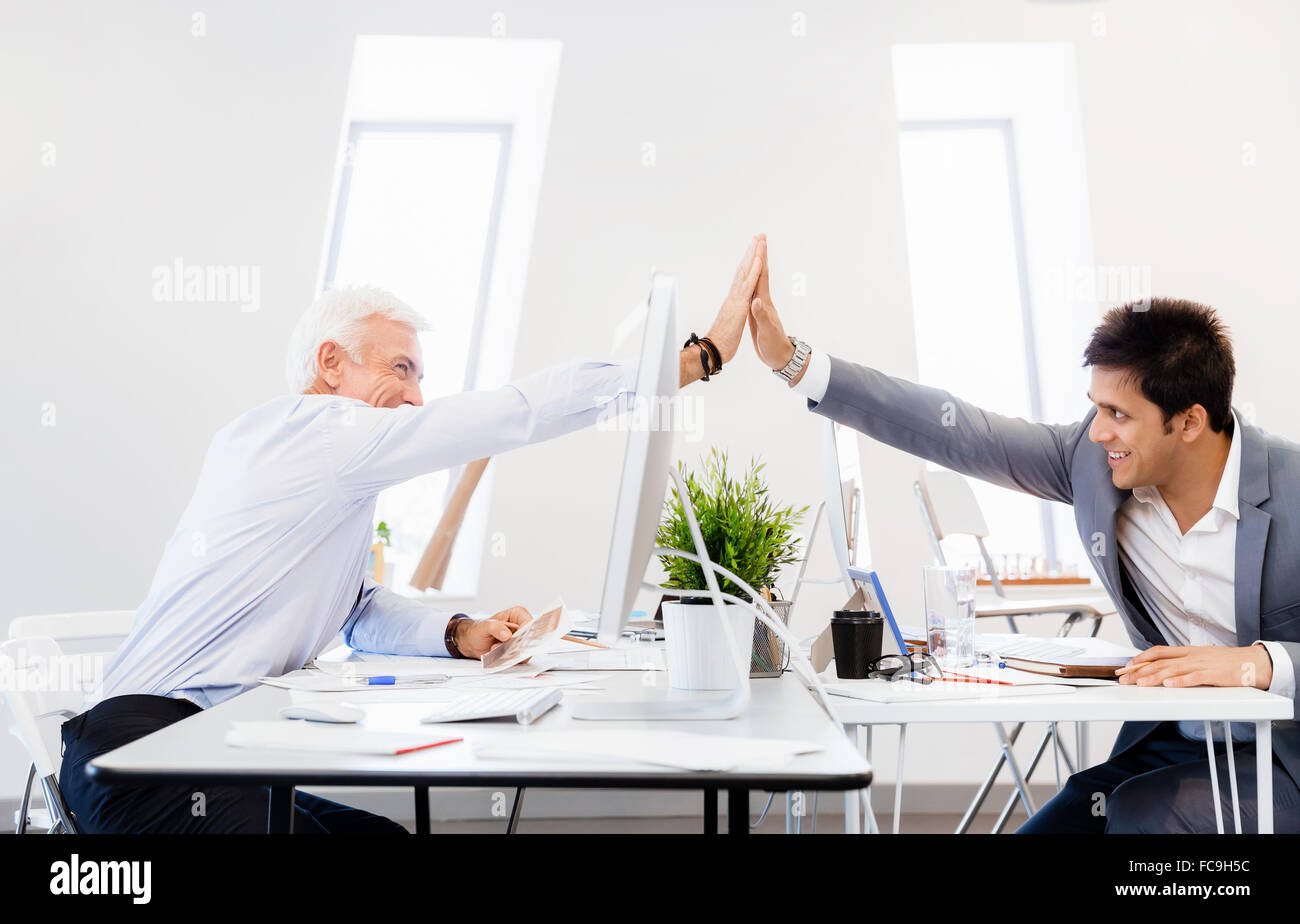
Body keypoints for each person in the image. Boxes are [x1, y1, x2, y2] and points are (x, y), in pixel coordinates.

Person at [60, 236, 767, 834]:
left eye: (420, 377)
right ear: (331, 363)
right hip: (143, 755)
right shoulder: (321, 435)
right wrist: (693, 359)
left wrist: (460, 632)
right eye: (401, 368)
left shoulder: (319, 466)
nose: (417, 395)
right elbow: (511, 412)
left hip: (209, 751)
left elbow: (356, 609)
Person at [746, 239, 1300, 833]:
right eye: (1096, 408)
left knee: (1142, 821)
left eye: (1119, 414)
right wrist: (796, 363)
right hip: (1181, 747)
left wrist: (1262, 665)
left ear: (1189, 420)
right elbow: (960, 431)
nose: (1096, 432)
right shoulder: (1092, 466)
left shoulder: (1289, 488)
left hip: (1284, 760)